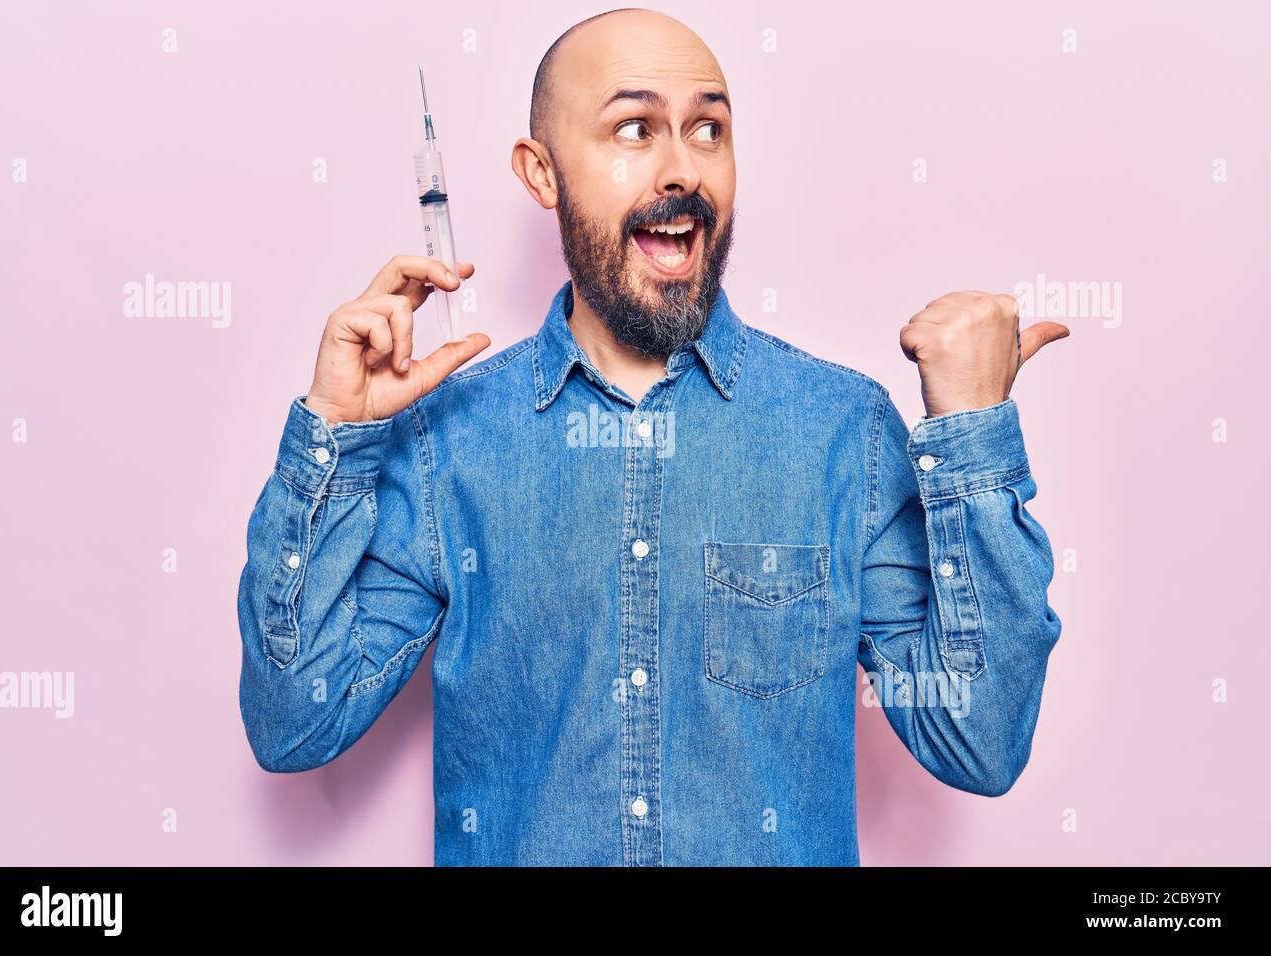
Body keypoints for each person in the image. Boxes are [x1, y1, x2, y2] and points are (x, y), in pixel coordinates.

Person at [236, 8, 1067, 866]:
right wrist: (334, 442)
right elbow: (293, 719)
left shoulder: (841, 432)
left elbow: (978, 739)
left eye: (709, 129)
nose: (682, 169)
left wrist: (972, 439)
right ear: (541, 172)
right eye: (633, 128)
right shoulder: (451, 441)